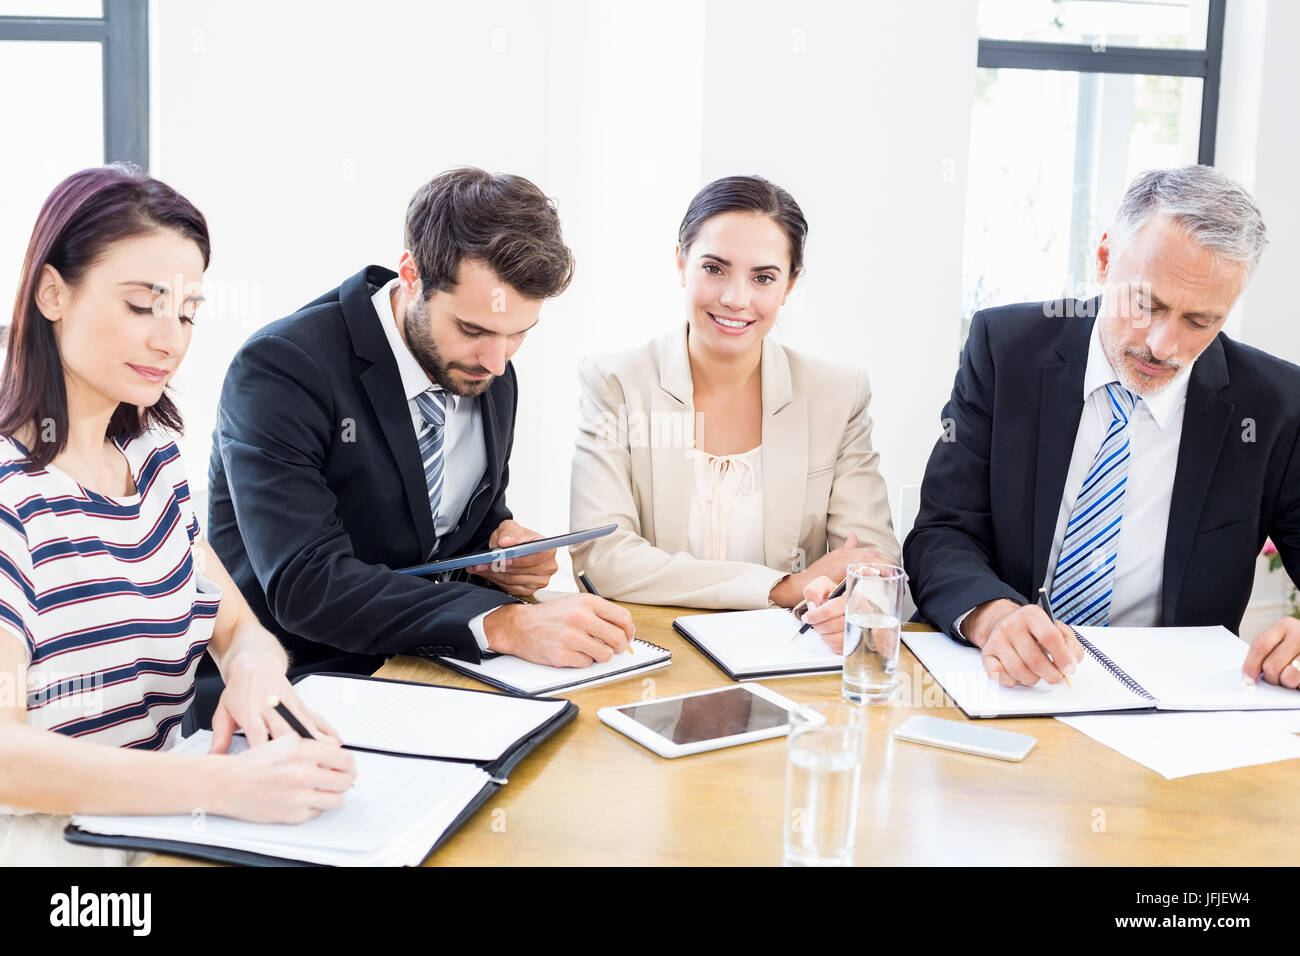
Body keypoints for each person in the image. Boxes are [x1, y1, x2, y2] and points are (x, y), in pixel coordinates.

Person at [0, 166, 355, 864]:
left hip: (165, 827)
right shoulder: (15, 496)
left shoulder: (153, 461)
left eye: (188, 311)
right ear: (51, 293)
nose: (171, 340)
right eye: (143, 305)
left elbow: (239, 627)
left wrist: (254, 670)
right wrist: (218, 784)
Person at [199, 167, 635, 723]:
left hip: (435, 667)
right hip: (299, 691)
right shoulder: (283, 369)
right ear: (411, 274)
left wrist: (499, 551)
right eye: (474, 329)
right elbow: (308, 585)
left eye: (520, 333)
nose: (497, 361)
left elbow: (452, 527)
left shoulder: (487, 370)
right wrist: (499, 621)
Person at [905, 165, 1300, 691]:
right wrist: (993, 616)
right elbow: (942, 532)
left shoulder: (1273, 404)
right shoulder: (1005, 350)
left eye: (1199, 322)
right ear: (1105, 258)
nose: (1163, 345)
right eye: (1146, 304)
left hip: (1170, 710)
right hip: (1007, 683)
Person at [568, 176, 899, 649]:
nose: (735, 299)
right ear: (681, 263)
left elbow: (872, 561)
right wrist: (781, 587)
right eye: (715, 268)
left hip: (788, 658)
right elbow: (601, 560)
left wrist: (856, 598)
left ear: (789, 285)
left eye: (763, 277)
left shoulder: (837, 394)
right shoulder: (615, 382)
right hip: (652, 653)